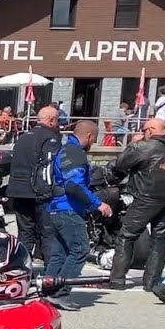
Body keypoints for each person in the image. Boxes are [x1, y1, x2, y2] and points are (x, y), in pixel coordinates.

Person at [40, 120, 110, 311]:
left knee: (59, 254)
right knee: (80, 250)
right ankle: (60, 293)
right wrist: (97, 204)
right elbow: (73, 185)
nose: (93, 143)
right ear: (89, 136)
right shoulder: (76, 153)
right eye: (93, 139)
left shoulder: (63, 150)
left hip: (54, 208)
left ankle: (48, 292)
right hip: (68, 209)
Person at [106, 118, 165, 294]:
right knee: (160, 238)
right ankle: (152, 282)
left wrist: (133, 145)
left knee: (126, 235)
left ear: (150, 130)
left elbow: (120, 164)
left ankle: (117, 279)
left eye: (144, 130)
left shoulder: (145, 146)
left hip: (145, 197)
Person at [6, 105, 60, 264]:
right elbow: (50, 166)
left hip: (18, 191)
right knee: (48, 233)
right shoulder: (50, 138)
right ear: (51, 120)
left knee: (25, 233)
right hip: (38, 192)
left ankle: (19, 269)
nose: (58, 125)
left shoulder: (23, 137)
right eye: (57, 121)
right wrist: (50, 190)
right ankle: (51, 273)